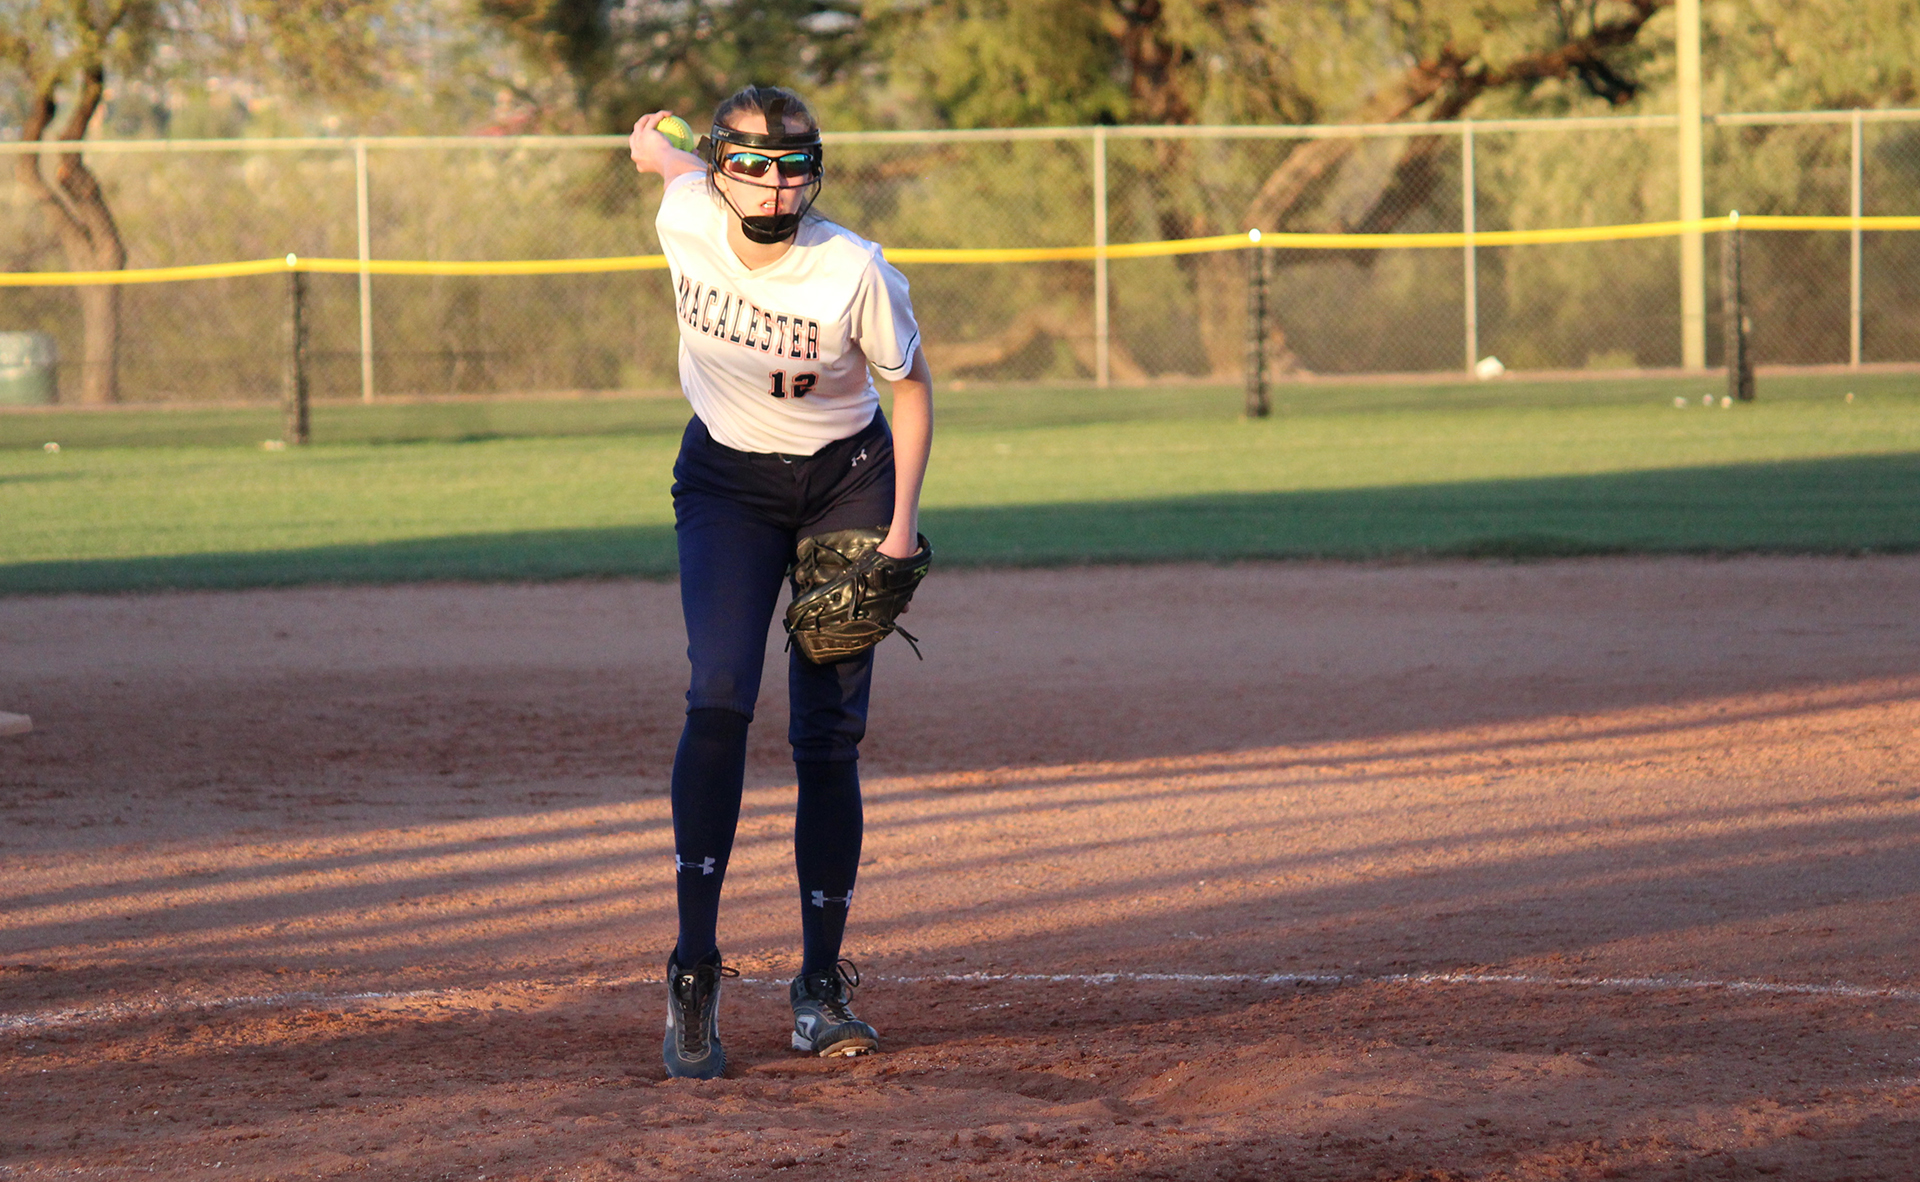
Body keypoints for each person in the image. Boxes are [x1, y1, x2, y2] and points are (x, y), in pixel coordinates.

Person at [627, 85, 934, 1081]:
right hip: (726, 483)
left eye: (792, 164)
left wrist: (898, 536)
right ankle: (693, 970)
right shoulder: (688, 212)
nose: (771, 182)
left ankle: (819, 986)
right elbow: (659, 155)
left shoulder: (854, 270)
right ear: (720, 168)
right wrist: (661, 142)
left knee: (825, 736)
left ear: (816, 172)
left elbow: (913, 392)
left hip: (847, 485)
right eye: (750, 163)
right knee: (717, 696)